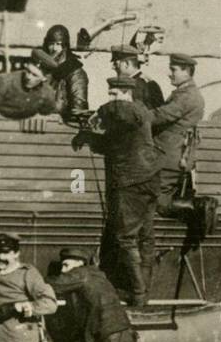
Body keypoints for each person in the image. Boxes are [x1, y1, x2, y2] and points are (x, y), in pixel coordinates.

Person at [78, 75, 161, 305]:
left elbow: (121, 111)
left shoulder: (132, 110)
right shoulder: (136, 115)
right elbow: (114, 145)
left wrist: (101, 111)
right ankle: (143, 292)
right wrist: (88, 137)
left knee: (125, 237)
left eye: (114, 94)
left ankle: (137, 293)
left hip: (130, 182)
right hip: (148, 179)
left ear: (127, 93)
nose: (111, 98)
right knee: (145, 236)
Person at [144, 53, 206, 210]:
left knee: (158, 200)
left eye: (174, 70)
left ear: (186, 71)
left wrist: (134, 115)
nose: (169, 73)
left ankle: (198, 209)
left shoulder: (187, 96)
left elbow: (161, 115)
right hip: (168, 154)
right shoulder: (184, 93)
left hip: (169, 156)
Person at [0, 48, 59, 120]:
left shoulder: (47, 92)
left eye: (35, 75)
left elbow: (51, 114)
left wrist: (43, 117)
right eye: (28, 71)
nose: (28, 77)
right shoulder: (4, 81)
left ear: (44, 78)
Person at [42, 24, 88, 120]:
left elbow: (79, 108)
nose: (54, 48)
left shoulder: (74, 71)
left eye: (58, 44)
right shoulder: (43, 67)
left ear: (65, 46)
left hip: (63, 124)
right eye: (51, 43)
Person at [109, 45, 163, 109]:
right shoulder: (144, 81)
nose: (113, 67)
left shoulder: (138, 84)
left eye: (115, 64)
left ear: (126, 64)